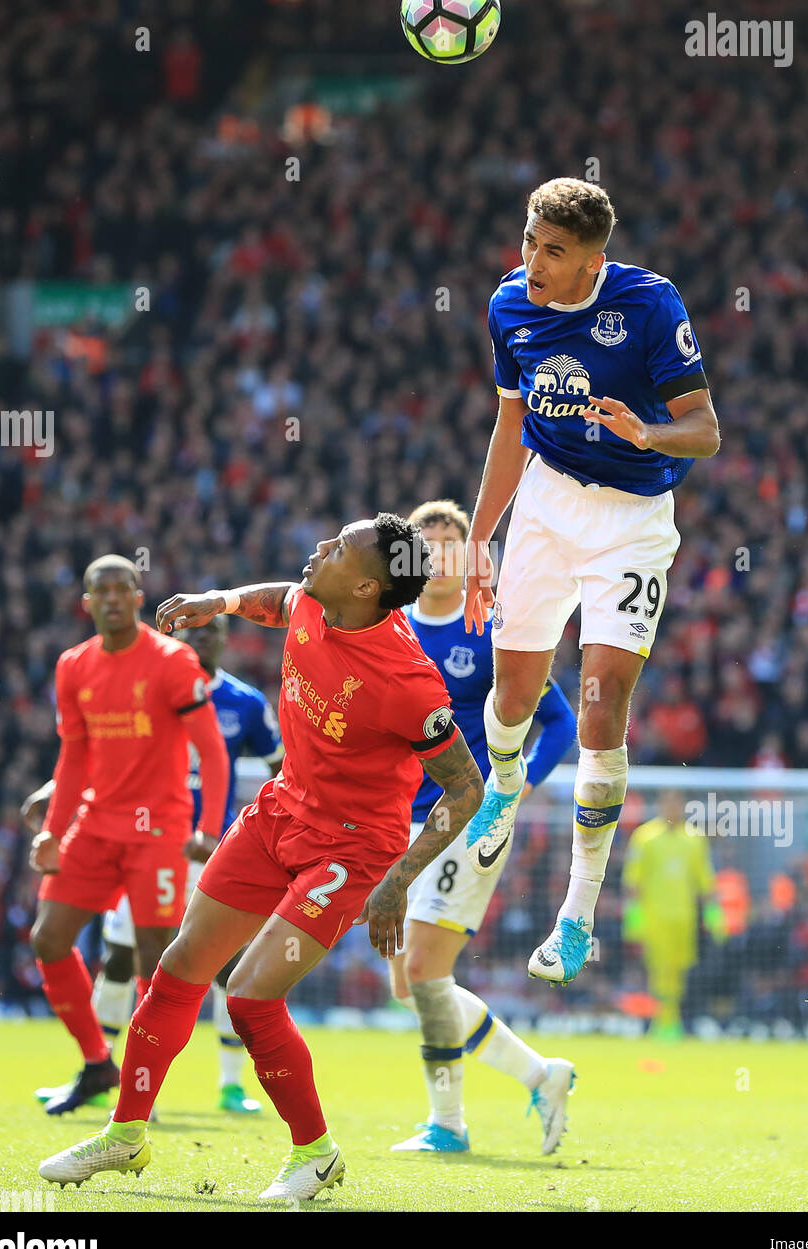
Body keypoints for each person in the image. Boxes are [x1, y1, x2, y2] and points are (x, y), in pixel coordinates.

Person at [38, 515, 485, 1204]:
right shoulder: (316, 596)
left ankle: (317, 1155)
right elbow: (279, 599)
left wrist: (398, 881)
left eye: (337, 548)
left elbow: (465, 785)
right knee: (180, 965)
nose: (318, 550)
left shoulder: (408, 683)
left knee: (248, 996)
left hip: (353, 845)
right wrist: (218, 601)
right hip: (279, 813)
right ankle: (124, 1134)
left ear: (367, 586)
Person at [462, 177, 720, 984]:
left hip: (632, 524)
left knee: (602, 707)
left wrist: (647, 431)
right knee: (509, 699)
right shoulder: (509, 306)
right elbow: (511, 424)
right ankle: (502, 789)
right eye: (529, 243)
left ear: (592, 261)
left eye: (553, 251)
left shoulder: (648, 305)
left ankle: (574, 917)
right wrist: (478, 539)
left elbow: (705, 432)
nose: (533, 261)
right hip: (544, 505)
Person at [389, 499, 578, 1155]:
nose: (437, 555)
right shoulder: (391, 628)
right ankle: (539, 1074)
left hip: (465, 820)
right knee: (407, 982)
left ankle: (448, 1125)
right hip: (397, 826)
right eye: (425, 544)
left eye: (450, 544)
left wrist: (518, 782)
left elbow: (560, 722)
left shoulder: (488, 630)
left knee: (419, 970)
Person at [28, 555, 229, 1115]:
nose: (113, 598)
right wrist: (52, 832)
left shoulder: (172, 660)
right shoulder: (73, 666)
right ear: (87, 602)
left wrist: (207, 828)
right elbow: (73, 757)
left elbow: (211, 751)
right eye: (102, 590)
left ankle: (143, 1089)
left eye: (123, 589)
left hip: (157, 830)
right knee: (48, 939)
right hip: (94, 825)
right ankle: (98, 1063)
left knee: (152, 959)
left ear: (139, 599)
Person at [80, 616, 284, 1113]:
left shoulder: (245, 703)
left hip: (213, 852)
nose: (205, 640)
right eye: (195, 634)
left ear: (223, 641)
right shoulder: (147, 690)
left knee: (226, 967)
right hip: (148, 840)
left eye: (214, 632)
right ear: (178, 641)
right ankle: (97, 1069)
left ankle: (231, 1085)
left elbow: (282, 767)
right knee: (121, 959)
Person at [621, 790, 725, 1039]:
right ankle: (664, 1021)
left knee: (678, 969)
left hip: (685, 917)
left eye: (676, 803)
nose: (672, 808)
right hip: (655, 917)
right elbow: (633, 879)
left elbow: (705, 880)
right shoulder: (645, 837)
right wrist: (634, 915)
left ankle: (671, 1018)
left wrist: (713, 913)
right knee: (659, 969)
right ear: (660, 806)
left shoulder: (695, 838)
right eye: (668, 803)